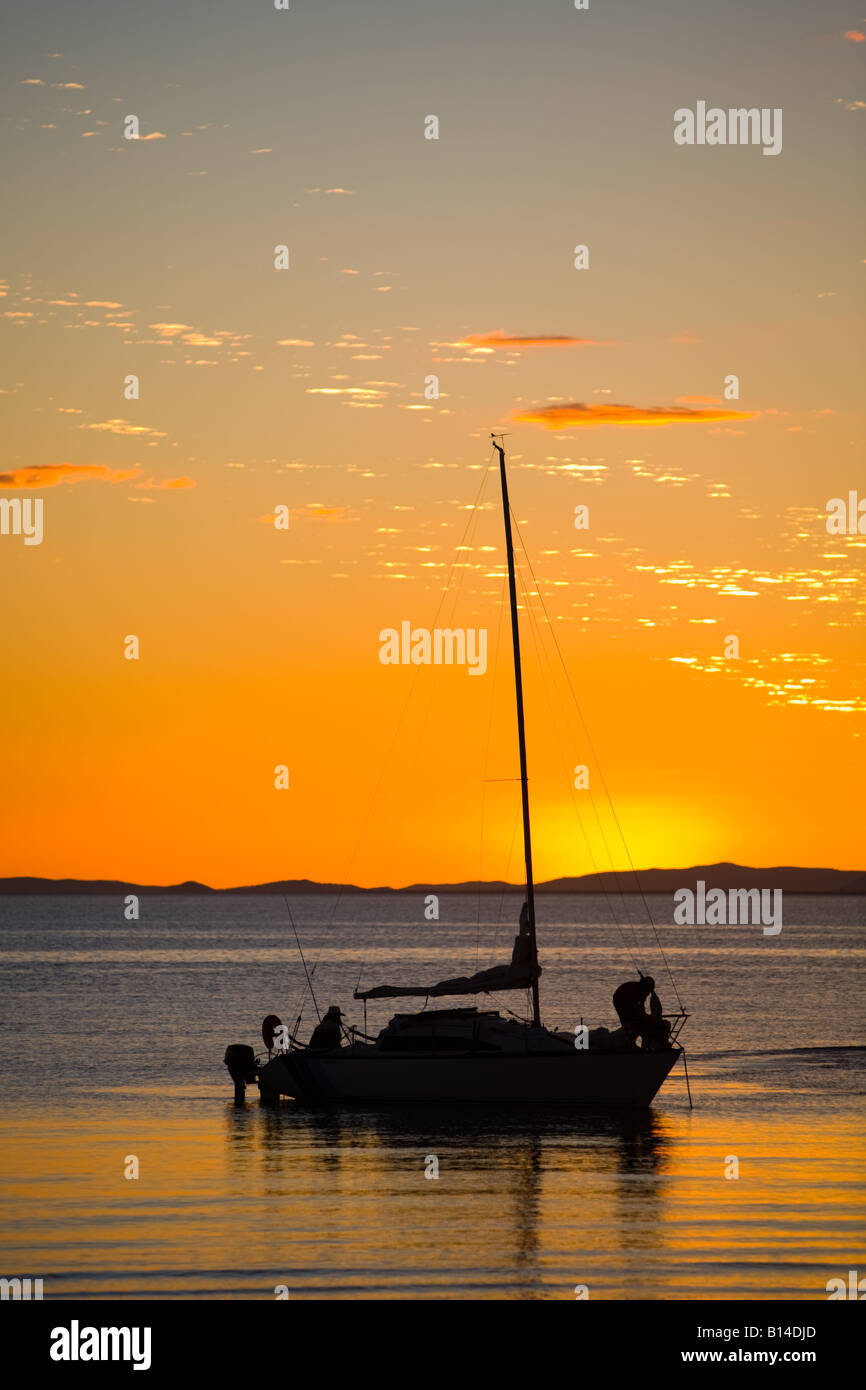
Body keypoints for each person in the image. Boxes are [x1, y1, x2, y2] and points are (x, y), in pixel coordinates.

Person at [612, 974, 671, 1050]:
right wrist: (644, 1017)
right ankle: (629, 1042)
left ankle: (635, 1043)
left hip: (628, 1001)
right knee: (629, 1023)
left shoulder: (644, 991)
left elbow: (642, 1007)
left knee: (640, 1020)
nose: (648, 994)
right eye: (648, 991)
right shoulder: (637, 990)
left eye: (649, 992)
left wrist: (645, 1017)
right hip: (620, 1000)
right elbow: (634, 1009)